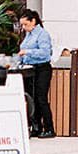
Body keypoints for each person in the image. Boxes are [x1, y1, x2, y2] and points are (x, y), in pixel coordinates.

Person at [14, 8, 55, 138]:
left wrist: (28, 52)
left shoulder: (42, 34)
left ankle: (49, 127)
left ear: (33, 21)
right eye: (22, 25)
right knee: (32, 97)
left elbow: (45, 53)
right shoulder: (28, 35)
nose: (24, 27)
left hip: (42, 68)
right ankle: (36, 126)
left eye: (26, 24)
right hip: (31, 68)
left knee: (41, 97)